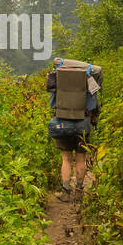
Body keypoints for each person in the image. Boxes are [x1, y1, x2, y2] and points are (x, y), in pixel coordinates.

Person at [46, 58, 101, 202]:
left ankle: (65, 192)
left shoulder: (58, 80)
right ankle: (79, 192)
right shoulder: (88, 79)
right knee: (81, 159)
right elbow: (93, 105)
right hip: (82, 124)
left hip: (62, 123)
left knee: (66, 158)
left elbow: (52, 104)